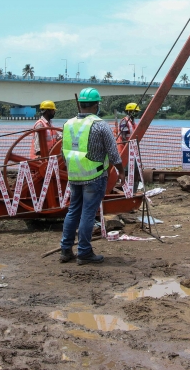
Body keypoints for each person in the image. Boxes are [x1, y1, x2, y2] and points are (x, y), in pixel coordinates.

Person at [59, 87, 125, 265]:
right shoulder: (100, 125)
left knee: (73, 211)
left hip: (74, 176)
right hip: (94, 177)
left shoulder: (68, 124)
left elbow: (62, 152)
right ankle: (84, 252)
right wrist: (121, 171)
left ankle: (65, 250)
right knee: (88, 213)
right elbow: (113, 153)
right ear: (96, 105)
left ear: (80, 104)